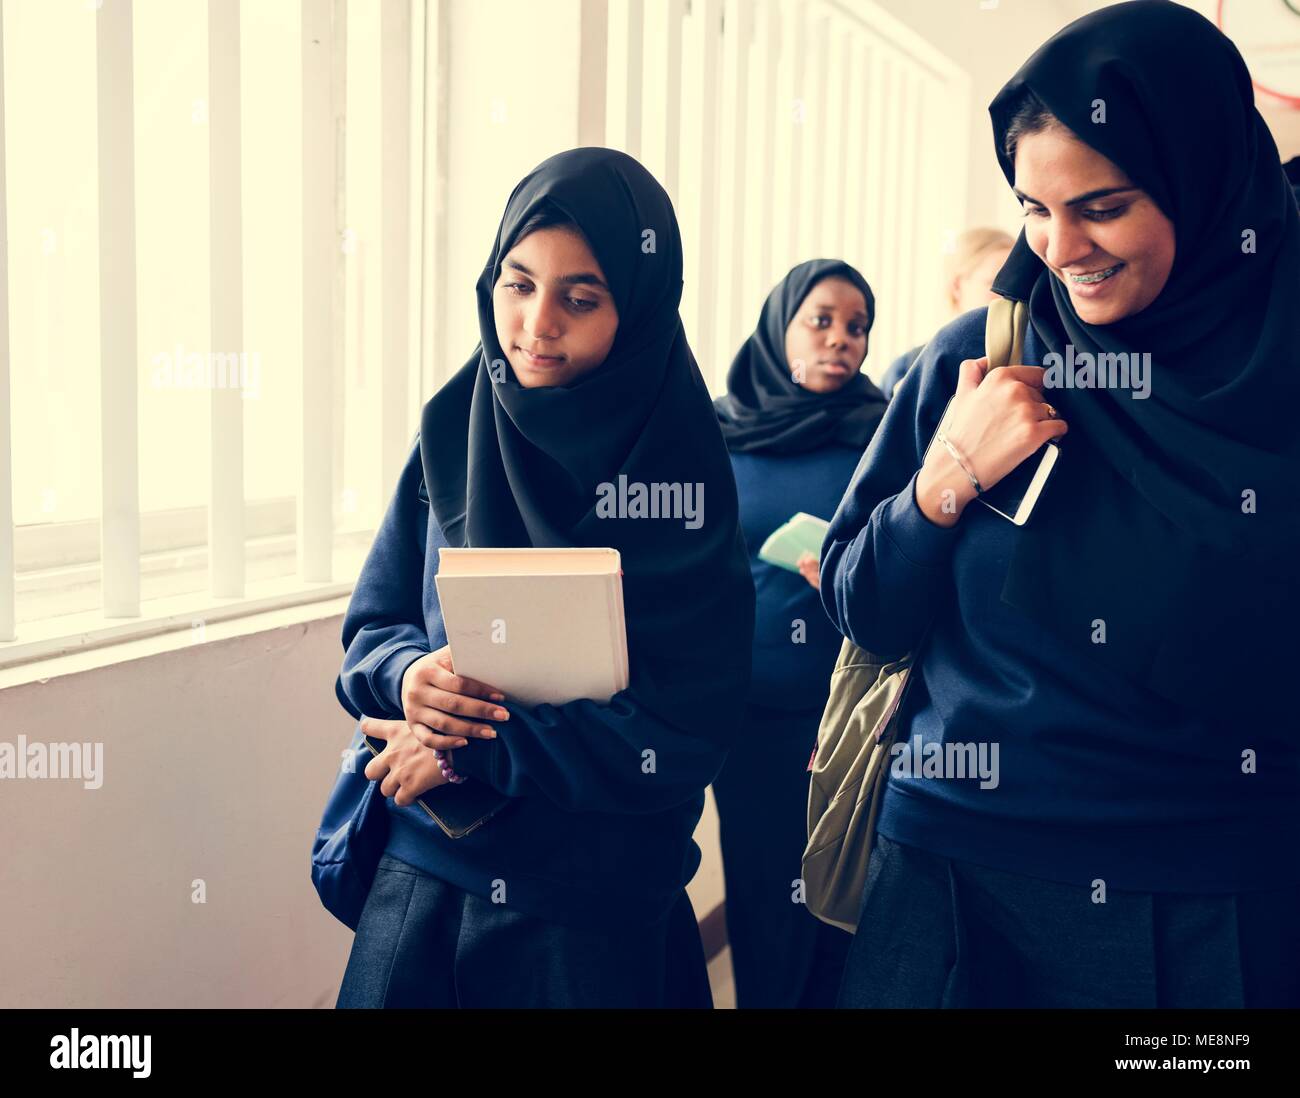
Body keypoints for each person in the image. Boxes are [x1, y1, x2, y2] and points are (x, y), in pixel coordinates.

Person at [823, 0, 1300, 1009]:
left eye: (1102, 205)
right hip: (949, 873)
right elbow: (861, 606)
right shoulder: (976, 356)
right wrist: (941, 481)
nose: (1059, 246)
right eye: (1034, 208)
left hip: (1207, 887)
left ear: (1203, 181)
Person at [331, 147, 755, 1009]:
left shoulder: (678, 479)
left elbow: (680, 735)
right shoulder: (452, 433)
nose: (536, 323)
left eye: (580, 297)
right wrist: (412, 678)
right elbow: (371, 632)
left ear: (635, 311)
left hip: (588, 916)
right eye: (517, 283)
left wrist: (467, 748)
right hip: (422, 882)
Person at [711, 260, 887, 1008]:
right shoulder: (721, 430)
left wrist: (850, 573)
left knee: (847, 890)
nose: (840, 339)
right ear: (782, 325)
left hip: (852, 708)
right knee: (763, 888)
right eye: (821, 320)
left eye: (856, 327)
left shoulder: (885, 433)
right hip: (745, 710)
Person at [879, 228, 1013, 398]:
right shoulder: (908, 369)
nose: (1011, 295)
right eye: (997, 283)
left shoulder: (1034, 359)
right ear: (957, 286)